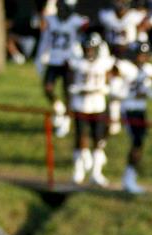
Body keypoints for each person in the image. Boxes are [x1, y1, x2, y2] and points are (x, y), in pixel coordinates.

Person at [67, 30, 114, 188]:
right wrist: (79, 90)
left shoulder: (103, 63)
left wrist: (101, 89)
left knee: (98, 139)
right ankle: (79, 171)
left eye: (91, 48)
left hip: (98, 105)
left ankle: (96, 172)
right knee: (80, 138)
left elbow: (109, 83)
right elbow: (71, 84)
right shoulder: (77, 62)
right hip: (81, 105)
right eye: (87, 48)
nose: (89, 52)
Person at [39, 0, 87, 137]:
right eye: (59, 7)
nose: (60, 10)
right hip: (54, 59)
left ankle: (66, 120)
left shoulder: (76, 21)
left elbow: (88, 27)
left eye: (63, 8)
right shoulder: (51, 19)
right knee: (47, 88)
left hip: (69, 62)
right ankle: (58, 106)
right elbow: (43, 25)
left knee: (68, 93)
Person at [115, 39, 152, 195]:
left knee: (140, 142)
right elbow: (114, 90)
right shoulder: (124, 67)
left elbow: (149, 91)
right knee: (136, 142)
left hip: (141, 109)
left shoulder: (147, 70)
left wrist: (144, 94)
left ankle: (130, 176)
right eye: (140, 55)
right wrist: (131, 94)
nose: (142, 58)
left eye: (145, 55)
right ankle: (129, 178)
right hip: (128, 109)